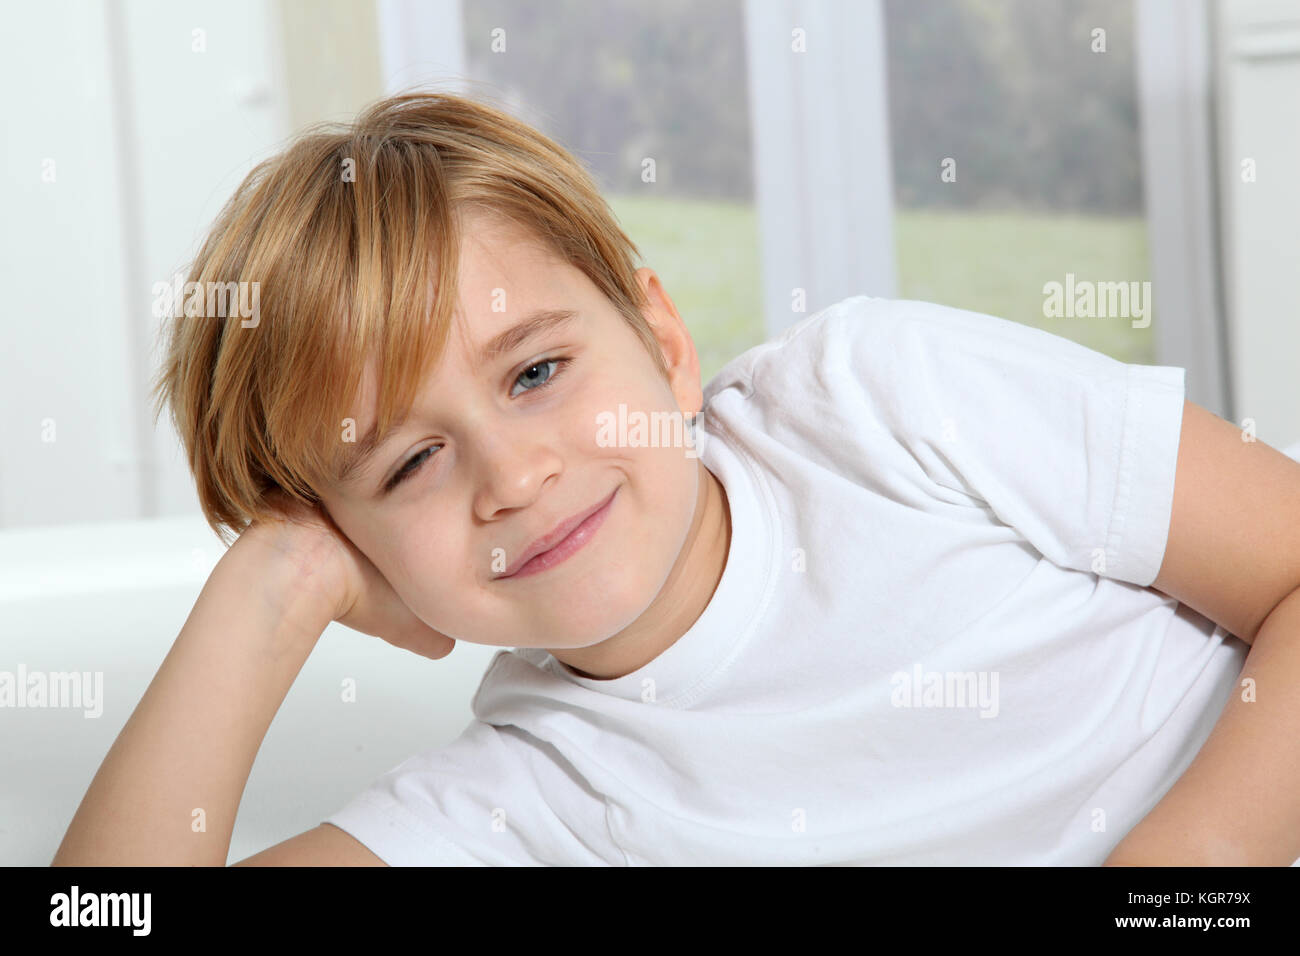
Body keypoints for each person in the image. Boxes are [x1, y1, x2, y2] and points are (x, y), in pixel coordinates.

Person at [52, 91, 1300, 866]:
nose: (514, 472)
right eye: (410, 460)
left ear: (662, 339)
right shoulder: (530, 790)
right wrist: (265, 591)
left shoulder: (877, 396)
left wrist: (1192, 868)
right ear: (361, 553)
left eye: (535, 370)